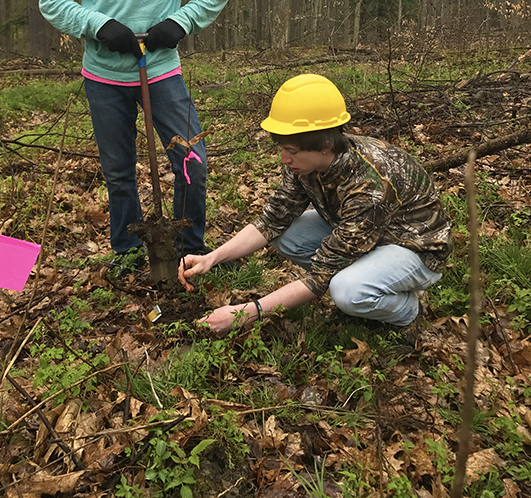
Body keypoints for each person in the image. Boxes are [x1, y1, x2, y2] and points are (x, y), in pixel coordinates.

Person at [39, 0, 231, 272]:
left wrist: (180, 22)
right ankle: (127, 253)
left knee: (191, 161)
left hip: (161, 70)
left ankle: (188, 250)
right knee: (119, 172)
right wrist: (98, 24)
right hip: (104, 75)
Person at [179, 74, 453, 341]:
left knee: (347, 291)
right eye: (283, 149)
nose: (284, 159)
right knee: (286, 234)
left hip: (414, 247)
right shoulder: (305, 164)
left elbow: (322, 275)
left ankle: (407, 311)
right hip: (360, 233)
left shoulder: (369, 183)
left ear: (325, 145)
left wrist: (247, 313)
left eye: (292, 151)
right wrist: (212, 258)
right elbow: (272, 219)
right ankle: (367, 283)